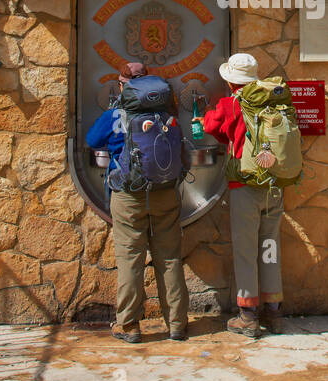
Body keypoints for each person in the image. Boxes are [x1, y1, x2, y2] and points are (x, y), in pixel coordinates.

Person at [85, 62, 188, 343]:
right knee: (169, 258)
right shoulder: (166, 111)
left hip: (129, 196)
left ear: (123, 85)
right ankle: (177, 324)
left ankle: (129, 325)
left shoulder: (117, 113)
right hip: (165, 193)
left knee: (131, 259)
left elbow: (92, 139)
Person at [202, 53, 286, 338]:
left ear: (230, 81)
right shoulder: (275, 99)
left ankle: (248, 315)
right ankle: (274, 312)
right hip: (274, 185)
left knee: (246, 250)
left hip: (245, 187)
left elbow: (210, 126)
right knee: (270, 247)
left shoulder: (231, 104)